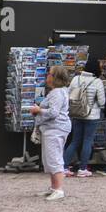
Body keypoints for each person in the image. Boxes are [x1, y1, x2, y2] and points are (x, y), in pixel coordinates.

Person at [30, 65, 73, 201]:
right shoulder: (59, 92)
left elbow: (54, 112)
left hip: (55, 129)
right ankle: (54, 187)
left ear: (55, 78)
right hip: (52, 129)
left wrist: (38, 110)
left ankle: (58, 189)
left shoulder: (57, 93)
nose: (47, 76)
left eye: (50, 74)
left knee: (54, 158)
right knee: (50, 158)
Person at [62, 64, 105, 178]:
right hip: (92, 116)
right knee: (87, 141)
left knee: (75, 141)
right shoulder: (97, 82)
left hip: (77, 114)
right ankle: (83, 169)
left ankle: (64, 167)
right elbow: (102, 102)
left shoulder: (76, 79)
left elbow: (68, 95)